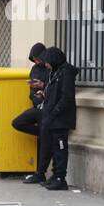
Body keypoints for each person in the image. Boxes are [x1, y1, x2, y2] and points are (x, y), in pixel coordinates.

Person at [38, 46, 77, 191]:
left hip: (60, 118)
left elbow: (66, 97)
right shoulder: (55, 73)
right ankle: (55, 176)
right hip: (53, 117)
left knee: (60, 148)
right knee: (55, 148)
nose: (46, 65)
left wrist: (54, 112)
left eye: (47, 62)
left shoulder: (65, 73)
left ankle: (61, 178)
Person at [14, 42, 51, 184]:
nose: (36, 62)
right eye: (34, 59)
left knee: (43, 142)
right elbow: (32, 91)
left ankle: (40, 172)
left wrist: (43, 87)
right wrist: (36, 96)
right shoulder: (35, 69)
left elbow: (54, 87)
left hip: (47, 108)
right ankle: (43, 133)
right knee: (17, 122)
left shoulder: (50, 68)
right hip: (37, 106)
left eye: (37, 59)